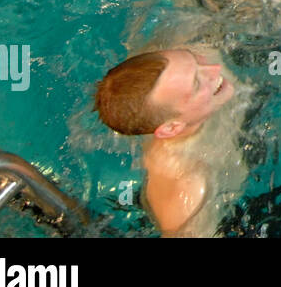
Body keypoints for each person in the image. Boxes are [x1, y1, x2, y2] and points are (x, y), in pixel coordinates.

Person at [94, 46, 246, 237]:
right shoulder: (189, 188)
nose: (214, 68)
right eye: (196, 84)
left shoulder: (181, 61)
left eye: (196, 61)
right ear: (172, 128)